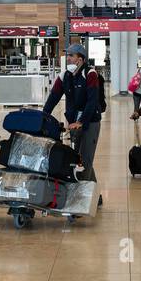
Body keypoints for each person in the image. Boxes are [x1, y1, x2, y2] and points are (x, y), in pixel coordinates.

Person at [42, 43, 103, 183]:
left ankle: (82, 196)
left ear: (80, 59)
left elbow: (92, 101)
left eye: (71, 55)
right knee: (78, 158)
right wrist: (43, 116)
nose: (68, 58)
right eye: (67, 55)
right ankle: (95, 195)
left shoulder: (90, 74)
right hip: (74, 122)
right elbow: (53, 98)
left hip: (90, 122)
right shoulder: (65, 76)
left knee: (85, 160)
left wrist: (81, 122)